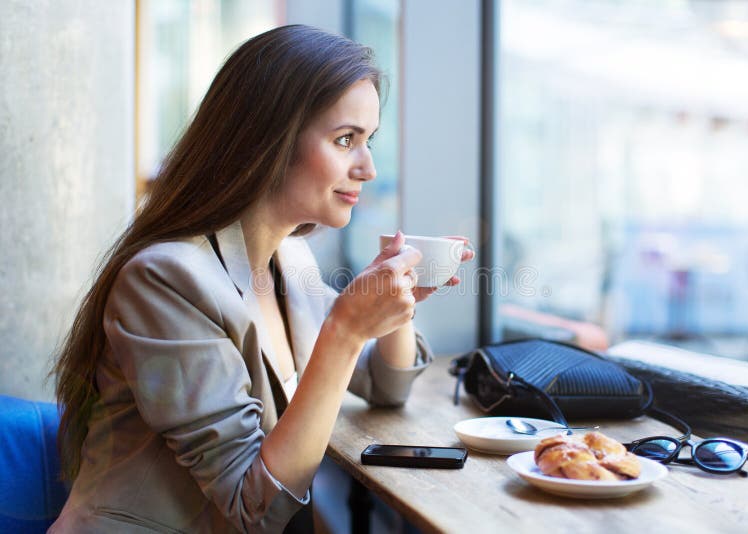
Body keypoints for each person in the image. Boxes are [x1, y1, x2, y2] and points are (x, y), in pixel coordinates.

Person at [49, 25, 472, 533]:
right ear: (268, 139)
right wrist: (345, 330)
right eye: (345, 140)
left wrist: (399, 299)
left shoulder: (291, 261)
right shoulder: (164, 281)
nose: (368, 168)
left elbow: (384, 386)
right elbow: (257, 507)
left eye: (368, 141)